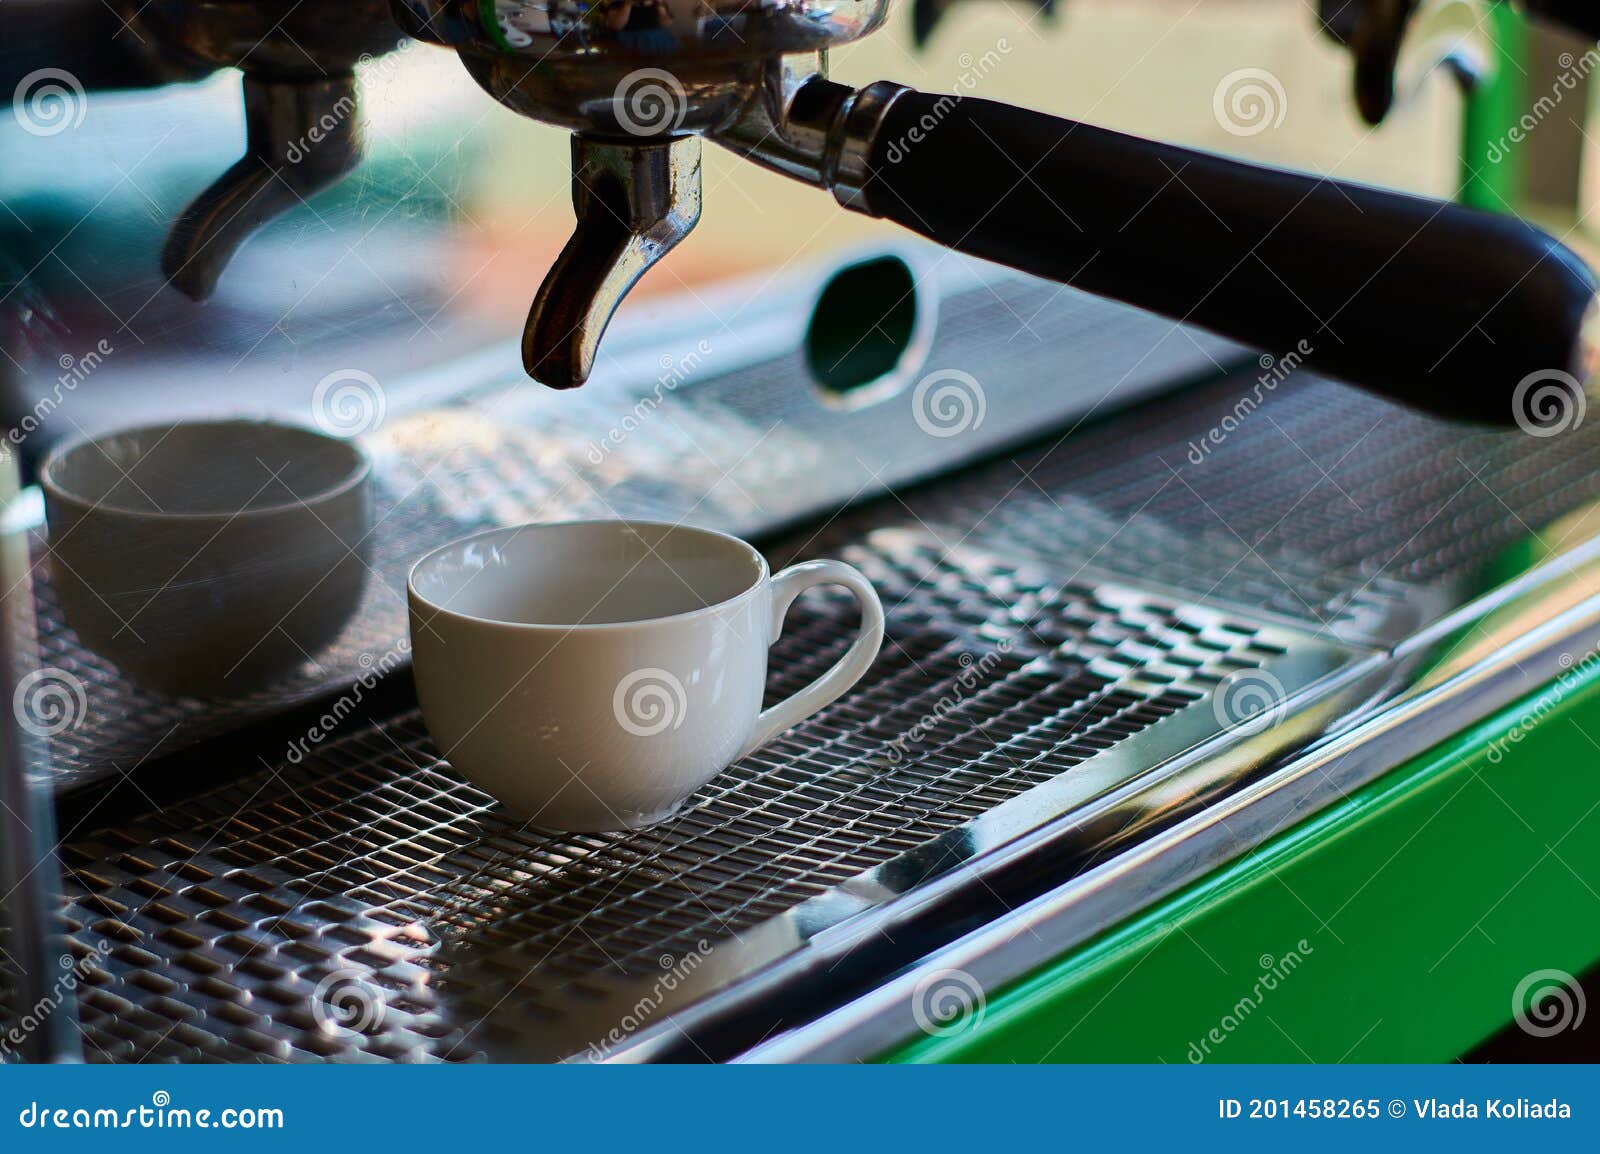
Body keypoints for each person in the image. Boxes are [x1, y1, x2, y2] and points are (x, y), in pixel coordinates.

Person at [607, 0, 678, 54]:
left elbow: (666, 24)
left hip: (658, 40)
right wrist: (627, 5)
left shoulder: (658, 4)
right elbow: (616, 26)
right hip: (632, 40)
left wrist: (660, 5)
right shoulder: (618, 3)